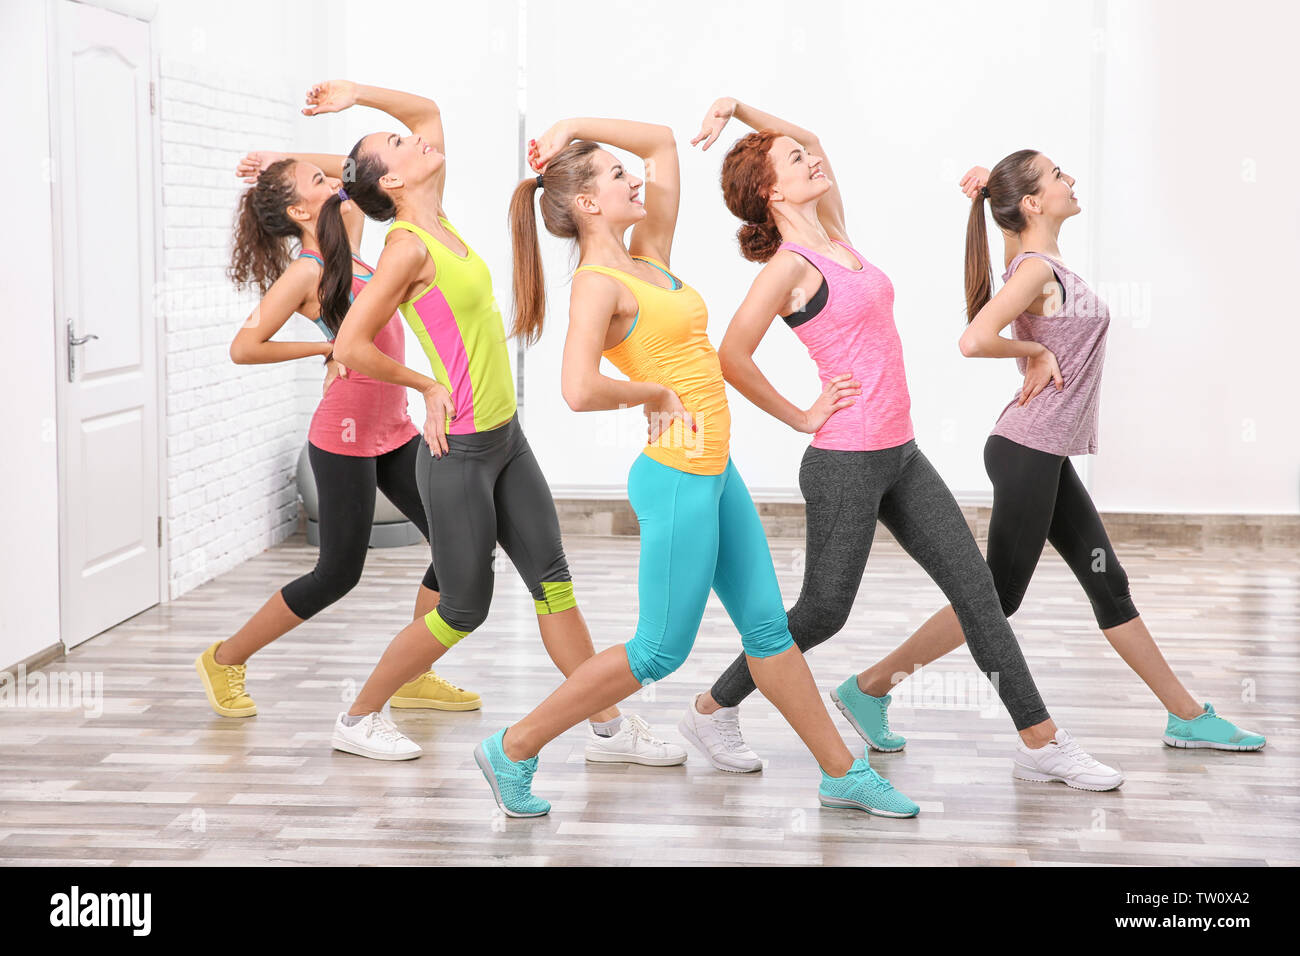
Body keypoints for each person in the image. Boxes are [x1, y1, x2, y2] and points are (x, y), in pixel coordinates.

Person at [473, 115, 921, 819]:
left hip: (714, 469)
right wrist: (651, 391)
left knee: (770, 633)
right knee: (657, 651)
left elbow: (658, 141)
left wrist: (570, 125)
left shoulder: (646, 254)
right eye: (615, 175)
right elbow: (577, 388)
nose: (633, 177)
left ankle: (842, 772)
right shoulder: (596, 284)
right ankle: (514, 746)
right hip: (676, 475)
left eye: (627, 171)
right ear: (588, 203)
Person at [679, 98, 1125, 792]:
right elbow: (732, 355)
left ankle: (1041, 741)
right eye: (795, 162)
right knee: (823, 611)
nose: (812, 158)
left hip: (902, 455)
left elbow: (814, 131)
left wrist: (738, 108)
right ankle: (712, 708)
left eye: (806, 155)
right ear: (772, 192)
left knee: (979, 593)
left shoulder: (836, 235)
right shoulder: (788, 269)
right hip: (845, 461)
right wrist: (802, 415)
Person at [309, 81, 679, 765]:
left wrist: (356, 93)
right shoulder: (408, 246)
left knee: (554, 579)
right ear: (390, 180)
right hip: (459, 455)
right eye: (396, 144)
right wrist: (425, 386)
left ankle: (606, 726)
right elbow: (351, 344)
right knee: (464, 607)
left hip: (505, 440)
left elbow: (424, 114)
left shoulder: (437, 218)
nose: (415, 137)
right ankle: (358, 716)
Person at [844, 155, 1264, 754]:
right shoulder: (1036, 268)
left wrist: (997, 186)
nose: (1071, 180)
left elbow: (1010, 316)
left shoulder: (1041, 264)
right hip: (1027, 449)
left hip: (1044, 453)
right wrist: (1035, 355)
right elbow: (973, 339)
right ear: (1035, 203)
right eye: (1058, 175)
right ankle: (870, 688)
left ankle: (1187, 716)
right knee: (995, 599)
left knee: (1107, 584)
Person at [195, 148, 477, 722]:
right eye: (317, 182)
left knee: (457, 544)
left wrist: (286, 158)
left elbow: (357, 172)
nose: (335, 185)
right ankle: (225, 658)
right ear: (300, 210)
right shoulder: (306, 269)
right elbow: (244, 347)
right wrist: (326, 347)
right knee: (337, 574)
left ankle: (412, 674)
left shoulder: (348, 238)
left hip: (393, 427)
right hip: (344, 433)